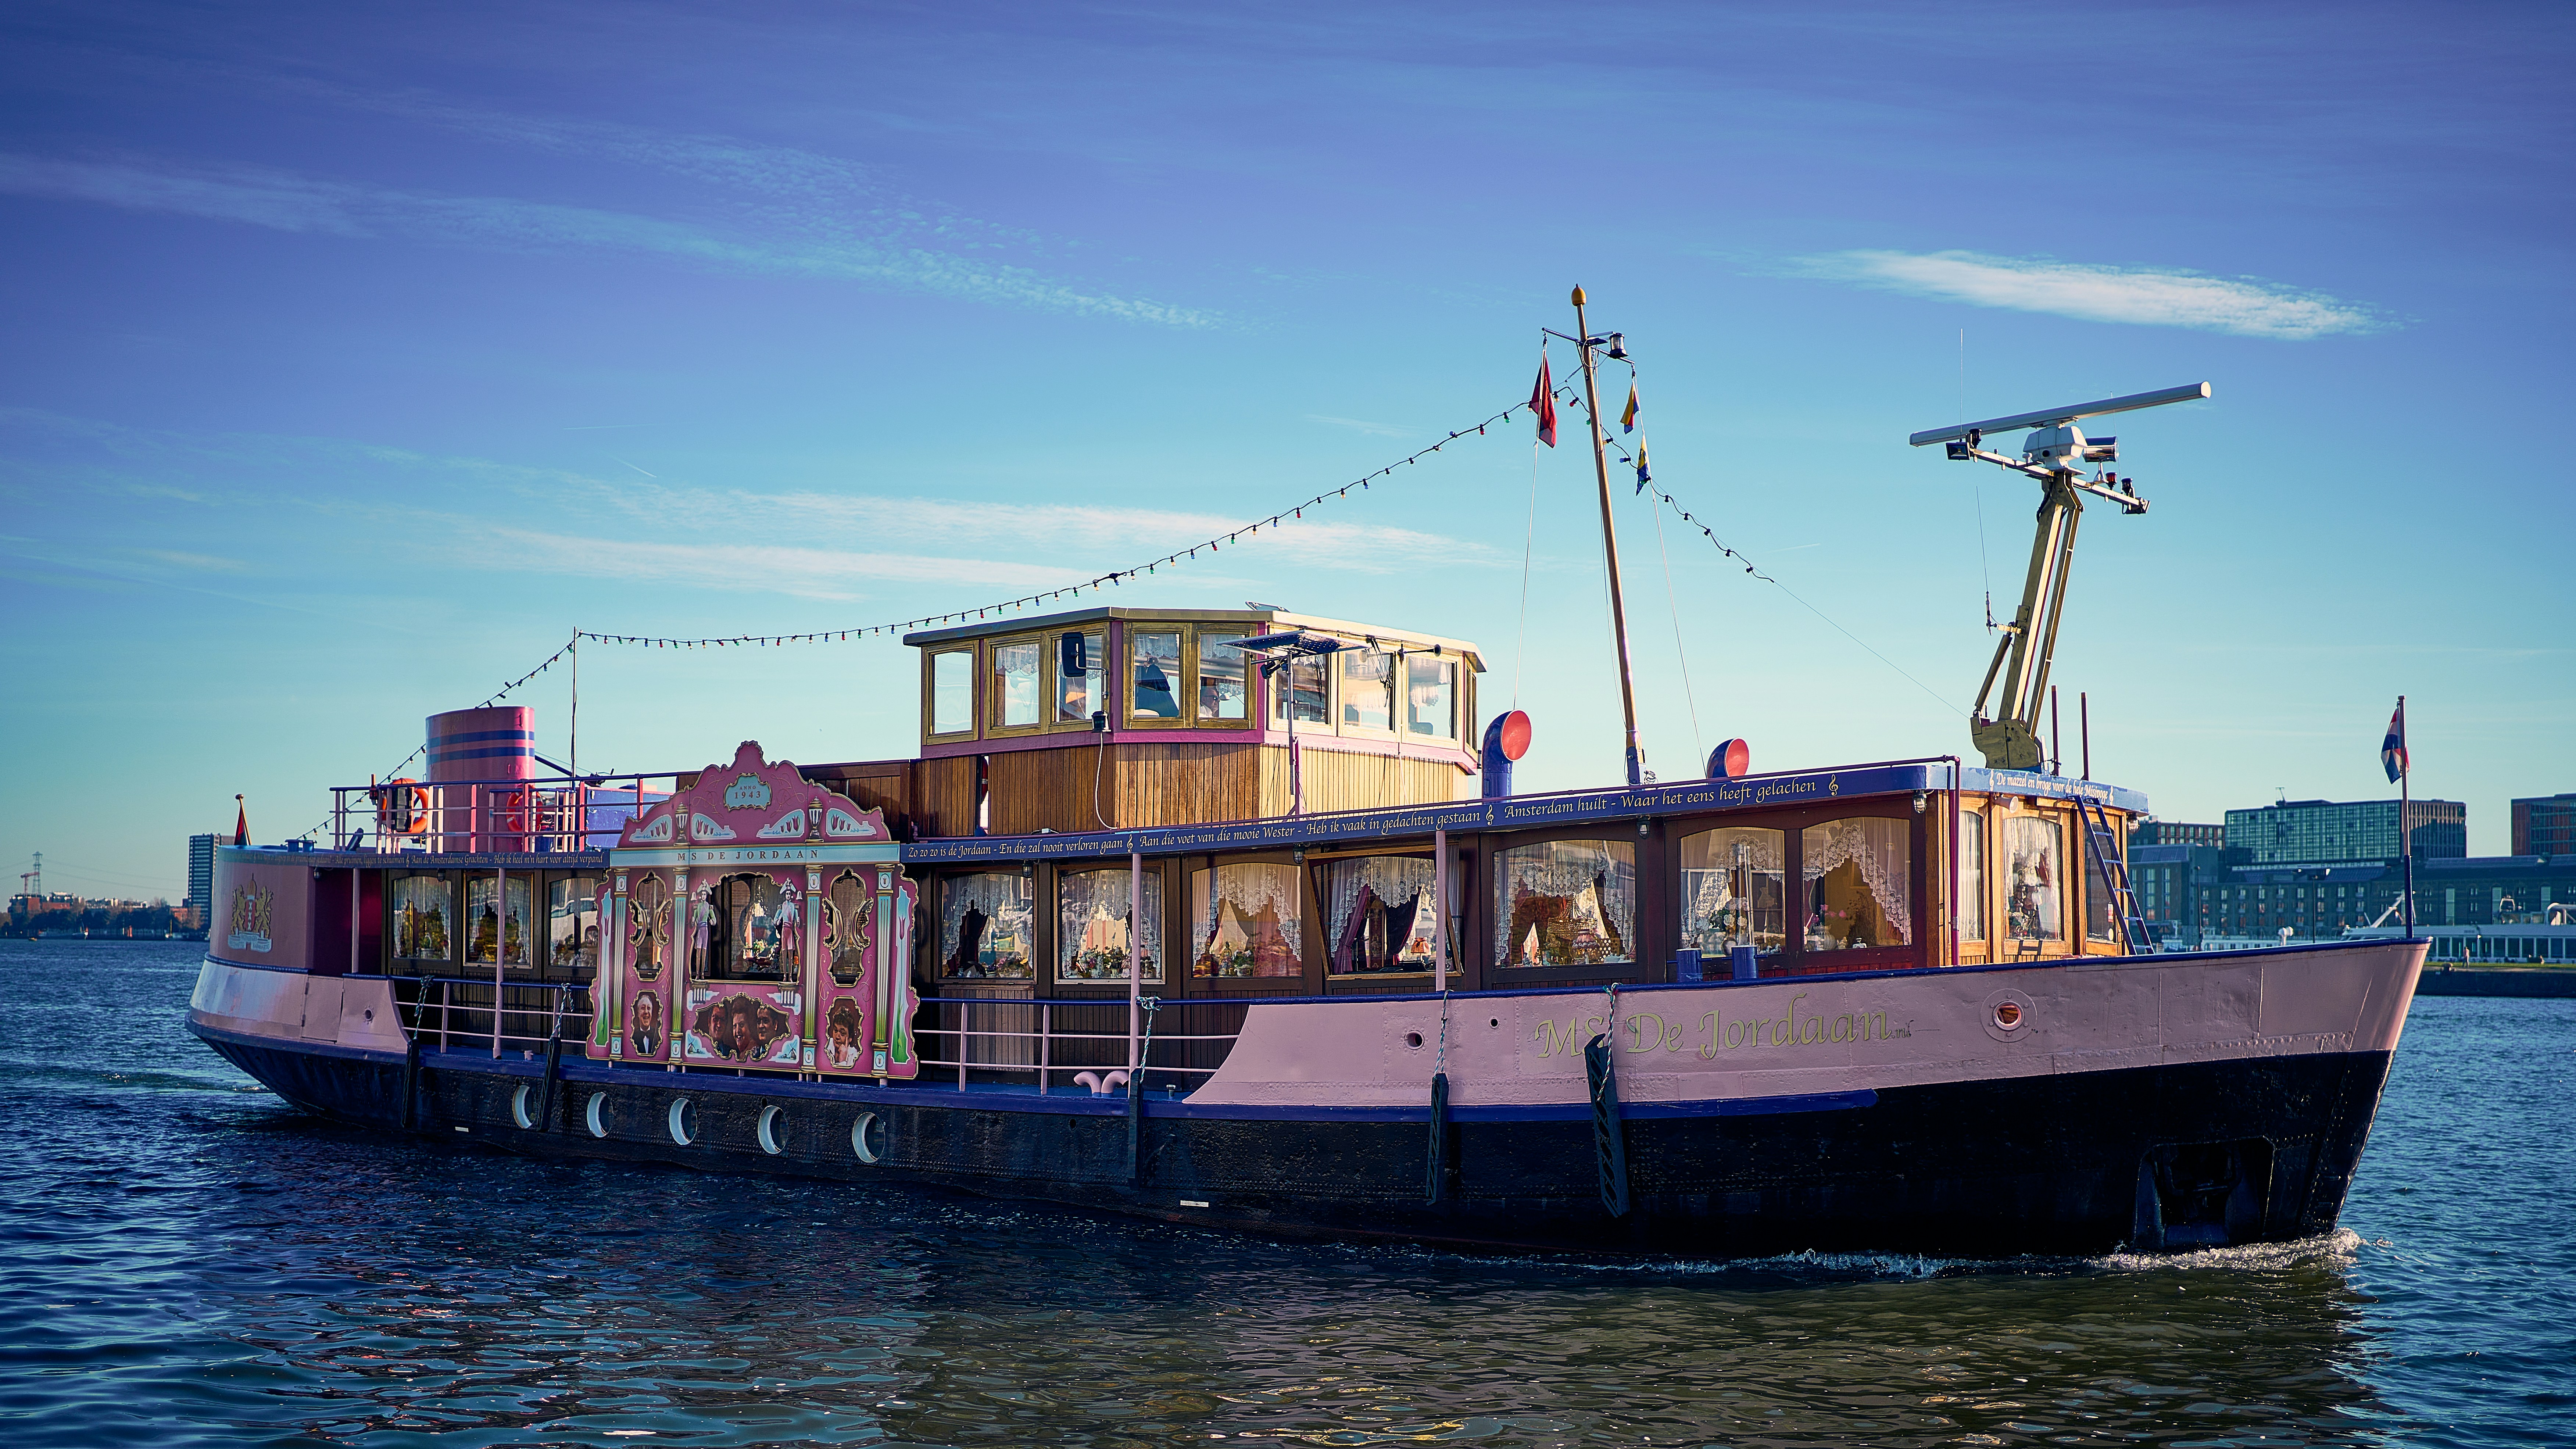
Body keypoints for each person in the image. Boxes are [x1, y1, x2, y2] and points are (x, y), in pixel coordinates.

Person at [629, 991, 662, 1057]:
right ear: (638, 1013)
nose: (646, 1012)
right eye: (643, 1008)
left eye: (649, 1008)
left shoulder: (658, 1036)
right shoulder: (633, 1036)